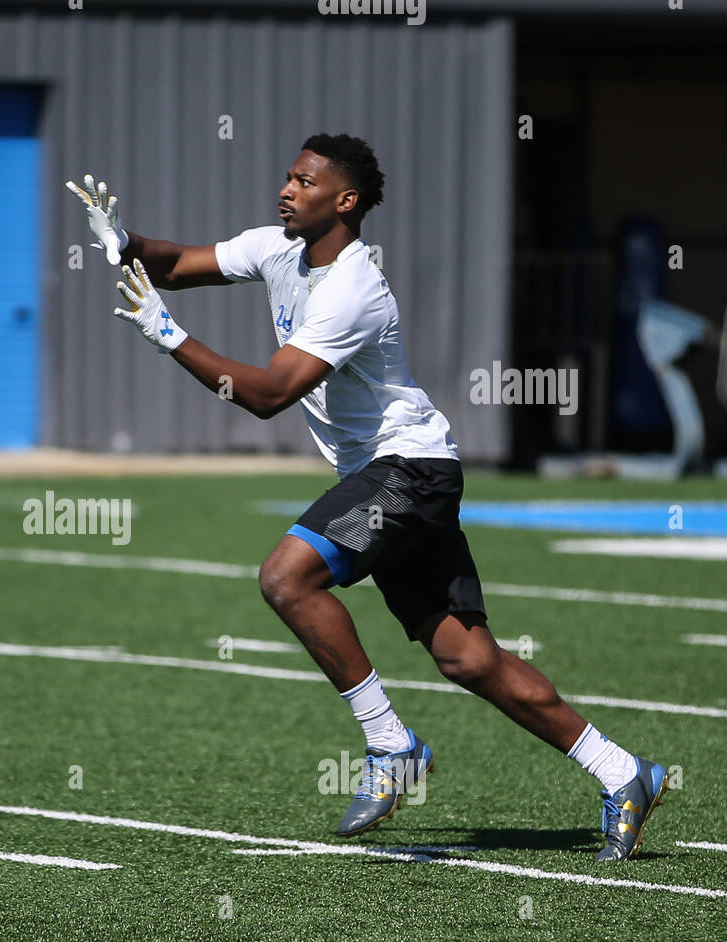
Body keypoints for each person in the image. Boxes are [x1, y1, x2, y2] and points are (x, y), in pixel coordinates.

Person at [65, 135, 668, 861]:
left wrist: (170, 336)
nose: (287, 189)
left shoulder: (353, 288)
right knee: (470, 661)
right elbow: (181, 263)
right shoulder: (277, 246)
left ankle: (391, 747)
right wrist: (120, 240)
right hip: (400, 474)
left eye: (304, 181)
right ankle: (622, 771)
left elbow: (269, 394)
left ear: (344, 202)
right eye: (288, 176)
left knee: (286, 577)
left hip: (406, 471)